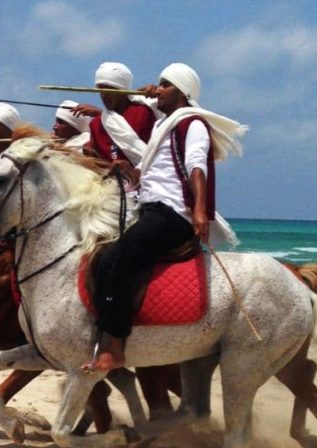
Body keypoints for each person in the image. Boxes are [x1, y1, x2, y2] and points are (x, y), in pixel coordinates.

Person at [85, 63, 248, 373]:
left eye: (164, 85)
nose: (156, 89)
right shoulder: (164, 126)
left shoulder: (193, 124)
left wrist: (199, 211)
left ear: (182, 92)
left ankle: (116, 347)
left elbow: (196, 167)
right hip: (150, 207)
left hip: (173, 214)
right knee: (103, 259)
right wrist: (128, 171)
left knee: (121, 257)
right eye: (158, 85)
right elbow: (155, 173)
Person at [74, 62, 157, 176]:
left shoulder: (144, 111)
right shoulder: (96, 124)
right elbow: (99, 163)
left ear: (122, 90)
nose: (103, 95)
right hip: (115, 188)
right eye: (100, 90)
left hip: (151, 179)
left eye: (109, 90)